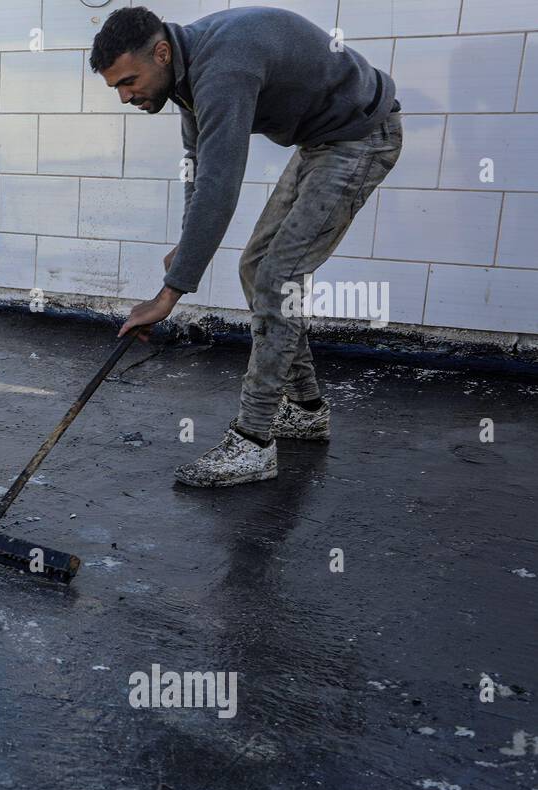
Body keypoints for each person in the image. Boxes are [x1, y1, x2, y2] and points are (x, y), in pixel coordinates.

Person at [92, 6, 402, 487]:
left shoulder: (223, 67)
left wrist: (169, 295)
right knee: (257, 267)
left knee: (278, 278)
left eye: (129, 81)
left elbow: (220, 184)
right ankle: (306, 409)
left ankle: (253, 443)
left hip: (361, 138)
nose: (125, 96)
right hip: (323, 143)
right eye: (116, 87)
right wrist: (186, 248)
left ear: (161, 51)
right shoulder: (184, 73)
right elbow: (198, 165)